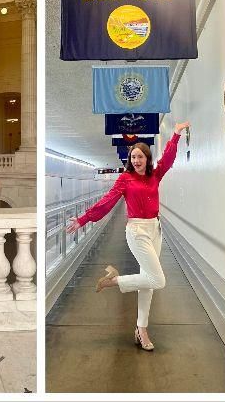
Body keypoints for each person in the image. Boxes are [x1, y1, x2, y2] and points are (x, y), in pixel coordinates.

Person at [66, 121, 190, 351]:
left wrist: (176, 134)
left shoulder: (155, 175)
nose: (136, 160)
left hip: (155, 229)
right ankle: (114, 281)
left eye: (140, 157)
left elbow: (168, 159)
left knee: (148, 282)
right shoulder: (125, 179)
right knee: (158, 279)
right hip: (137, 230)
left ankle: (141, 329)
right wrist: (84, 219)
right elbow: (108, 201)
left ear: (147, 158)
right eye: (133, 157)